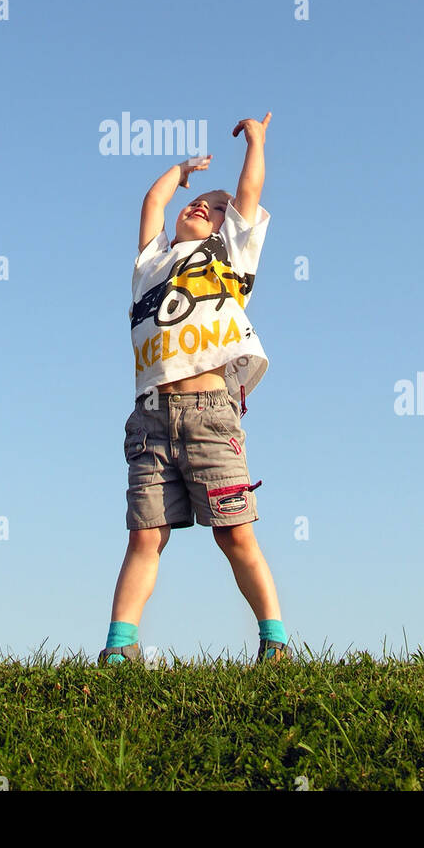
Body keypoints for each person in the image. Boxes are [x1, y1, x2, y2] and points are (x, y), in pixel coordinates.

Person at [99, 112, 290, 666]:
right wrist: (178, 171)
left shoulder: (229, 257)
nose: (202, 206)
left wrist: (256, 140)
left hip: (211, 415)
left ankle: (274, 640)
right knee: (145, 537)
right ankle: (120, 648)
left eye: (215, 209)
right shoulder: (150, 262)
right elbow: (150, 206)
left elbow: (248, 192)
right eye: (198, 200)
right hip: (150, 420)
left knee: (234, 535)